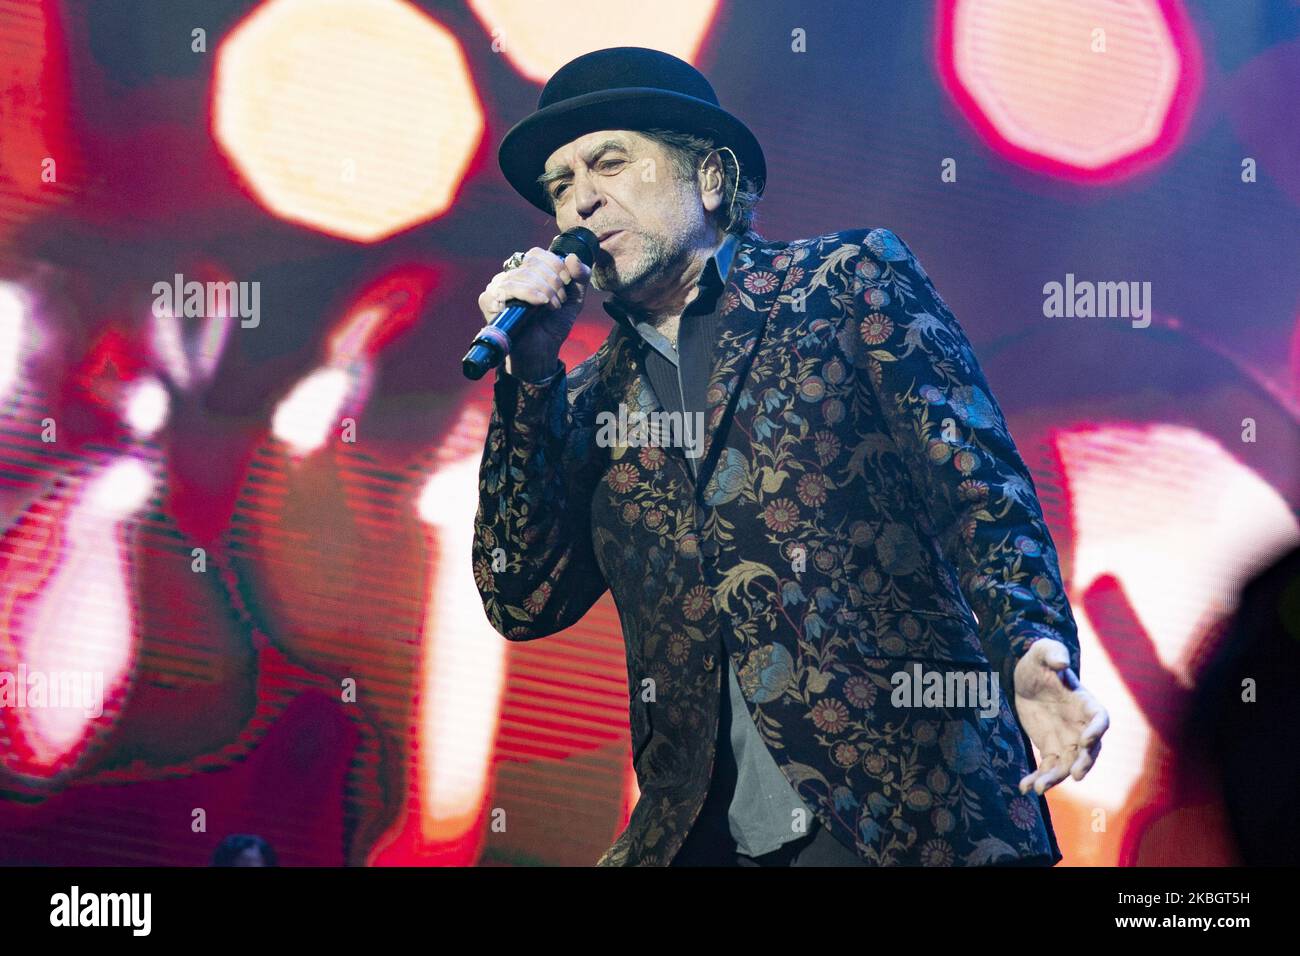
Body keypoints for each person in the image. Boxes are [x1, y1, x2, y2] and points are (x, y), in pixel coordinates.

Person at [473, 46, 1108, 866]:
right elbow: (521, 598)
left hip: (908, 808)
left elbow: (976, 488)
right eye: (561, 186)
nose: (581, 201)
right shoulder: (583, 398)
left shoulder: (843, 282)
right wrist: (528, 382)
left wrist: (1030, 645)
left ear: (710, 179)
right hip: (702, 832)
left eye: (609, 163)